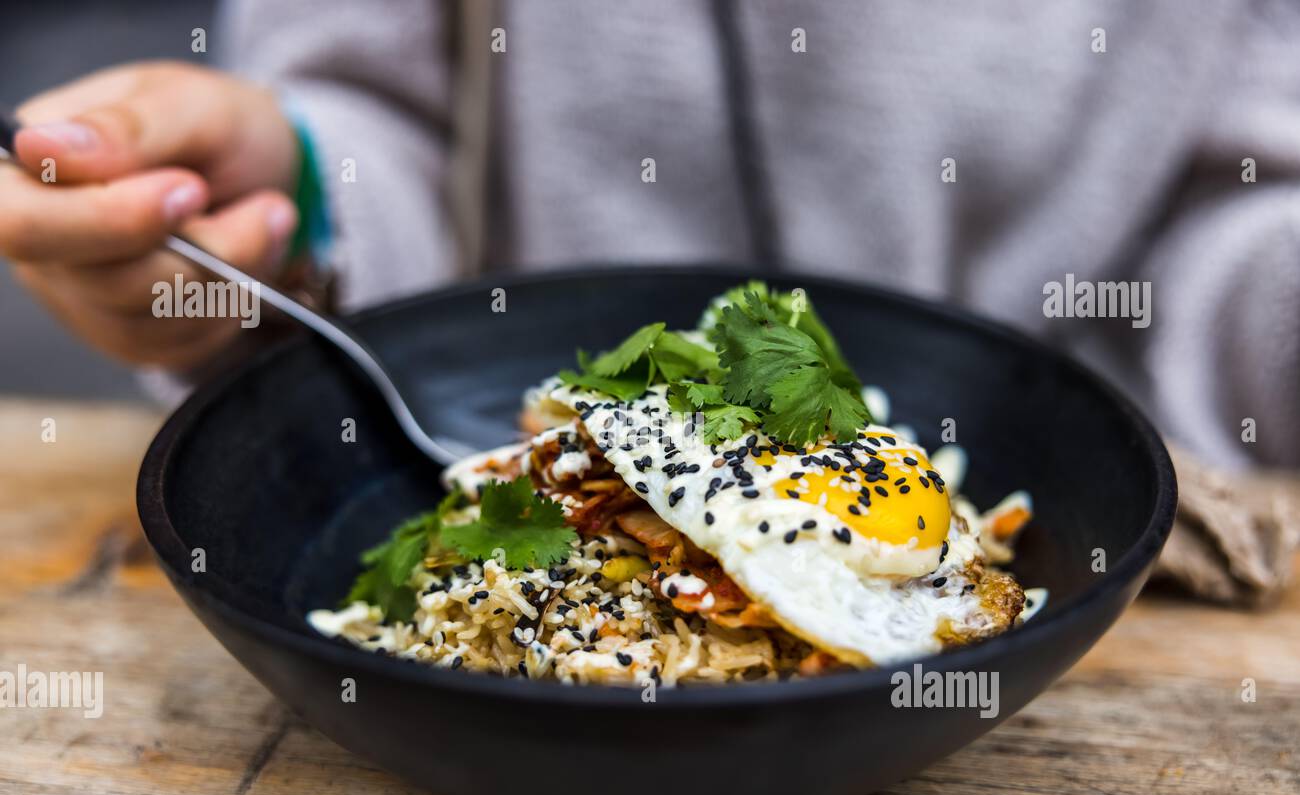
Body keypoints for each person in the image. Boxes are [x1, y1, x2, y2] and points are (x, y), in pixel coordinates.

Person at [2, 0, 1297, 467]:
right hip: (480, 434)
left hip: (1086, 537)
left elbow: (1237, 199)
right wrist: (288, 205)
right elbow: (373, 120)